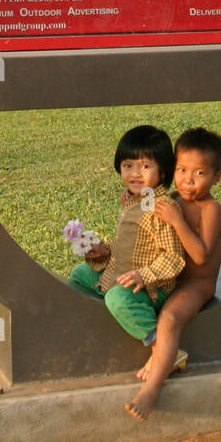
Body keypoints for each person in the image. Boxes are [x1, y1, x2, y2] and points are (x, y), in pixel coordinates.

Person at [125, 128, 221, 421]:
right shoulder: (172, 199)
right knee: (132, 293)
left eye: (199, 173)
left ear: (215, 177)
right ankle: (160, 353)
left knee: (168, 319)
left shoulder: (211, 210)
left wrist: (177, 221)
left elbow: (200, 256)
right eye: (181, 170)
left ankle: (153, 388)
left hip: (196, 284)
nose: (188, 180)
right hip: (172, 275)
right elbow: (144, 219)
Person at [67, 125, 185, 349]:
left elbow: (173, 258)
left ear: (162, 172)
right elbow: (130, 246)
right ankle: (109, 316)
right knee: (80, 274)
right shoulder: (133, 200)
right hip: (123, 275)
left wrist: (144, 275)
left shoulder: (161, 208)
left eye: (145, 166)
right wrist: (104, 251)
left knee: (117, 298)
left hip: (151, 288)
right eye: (128, 165)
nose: (134, 173)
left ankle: (161, 346)